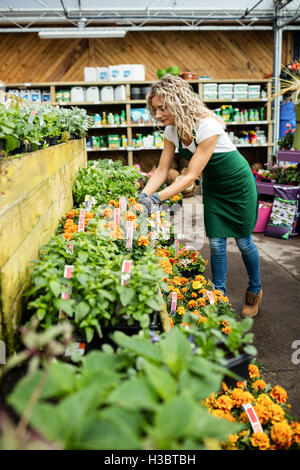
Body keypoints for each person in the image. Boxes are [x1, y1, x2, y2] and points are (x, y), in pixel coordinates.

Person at [139, 74, 262, 318]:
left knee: (243, 241)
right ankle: (218, 299)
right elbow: (163, 169)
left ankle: (255, 290)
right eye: (155, 109)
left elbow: (190, 176)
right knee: (216, 244)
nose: (159, 114)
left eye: (163, 108)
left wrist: (155, 199)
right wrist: (142, 196)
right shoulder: (172, 130)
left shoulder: (207, 125)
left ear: (179, 102)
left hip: (238, 185)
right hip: (215, 187)